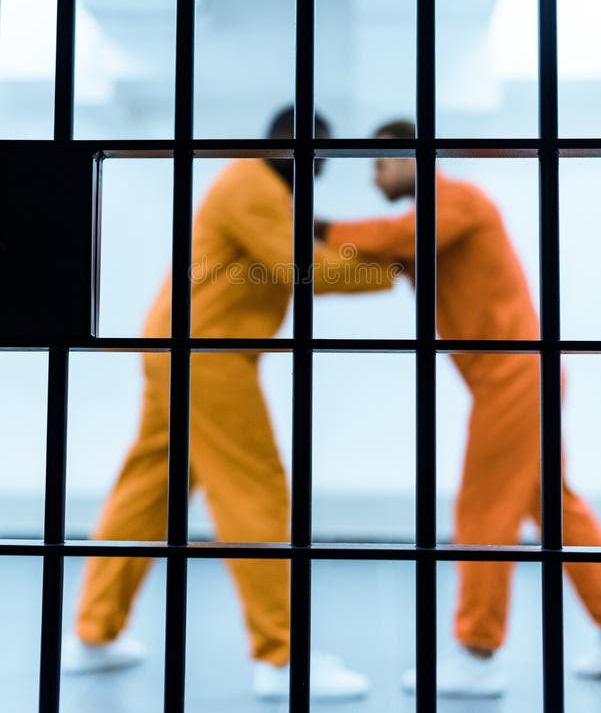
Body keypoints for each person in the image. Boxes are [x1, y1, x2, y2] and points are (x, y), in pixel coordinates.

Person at [62, 106, 394, 701]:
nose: (310, 159)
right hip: (205, 358)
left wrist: (356, 241)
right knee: (256, 490)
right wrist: (392, 268)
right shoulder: (251, 181)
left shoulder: (263, 190)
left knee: (148, 493)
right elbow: (300, 270)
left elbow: (305, 240)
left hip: (180, 350)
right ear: (273, 142)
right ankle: (281, 656)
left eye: (318, 151)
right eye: (302, 146)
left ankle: (93, 635)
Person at [315, 117, 601, 698]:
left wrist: (315, 225)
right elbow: (380, 261)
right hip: (520, 378)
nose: (376, 177)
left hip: (514, 379)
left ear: (413, 159)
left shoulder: (458, 203)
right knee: (558, 512)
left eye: (381, 164)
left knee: (482, 511)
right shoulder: (427, 226)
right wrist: (280, 268)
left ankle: (477, 654)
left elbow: (394, 240)